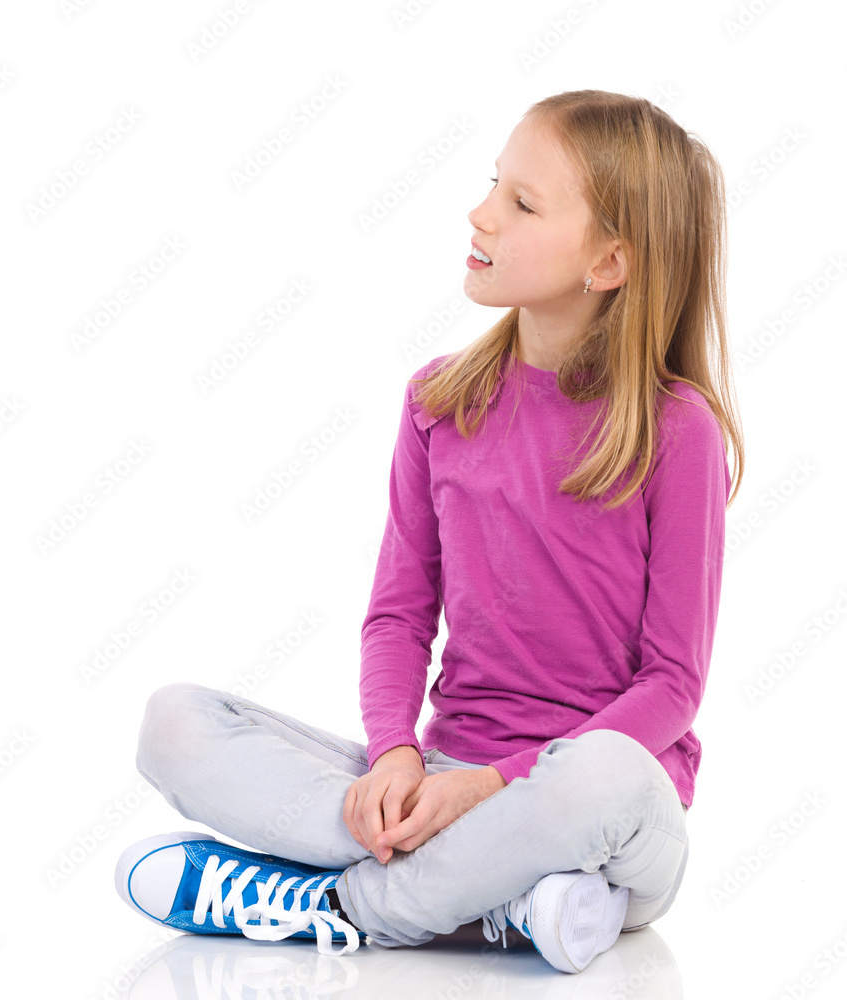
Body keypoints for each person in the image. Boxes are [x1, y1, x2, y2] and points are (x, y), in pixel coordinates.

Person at [113, 88, 744, 975]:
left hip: (595, 813)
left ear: (609, 261)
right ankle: (508, 906)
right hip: (445, 771)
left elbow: (673, 686)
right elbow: (398, 618)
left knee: (607, 771)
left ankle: (339, 905)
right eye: (495, 184)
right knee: (173, 722)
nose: (481, 212)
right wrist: (397, 760)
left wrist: (491, 787)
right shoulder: (439, 402)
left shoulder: (677, 430)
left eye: (522, 204)